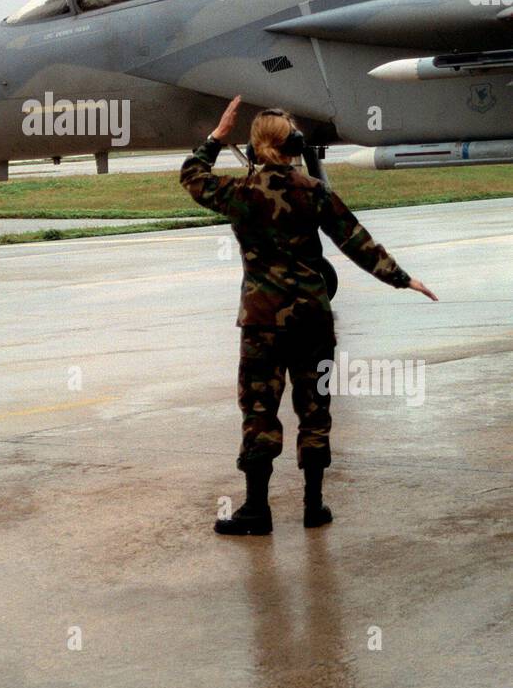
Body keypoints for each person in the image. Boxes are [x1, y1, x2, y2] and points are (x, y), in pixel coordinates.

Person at [180, 96, 438, 535]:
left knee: (259, 412)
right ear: (295, 144)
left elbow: (192, 176)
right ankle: (314, 506)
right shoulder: (315, 192)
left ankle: (256, 510)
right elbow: (356, 241)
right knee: (315, 410)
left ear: (256, 146)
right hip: (313, 323)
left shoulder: (240, 193)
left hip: (263, 324)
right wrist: (401, 278)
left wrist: (217, 138)